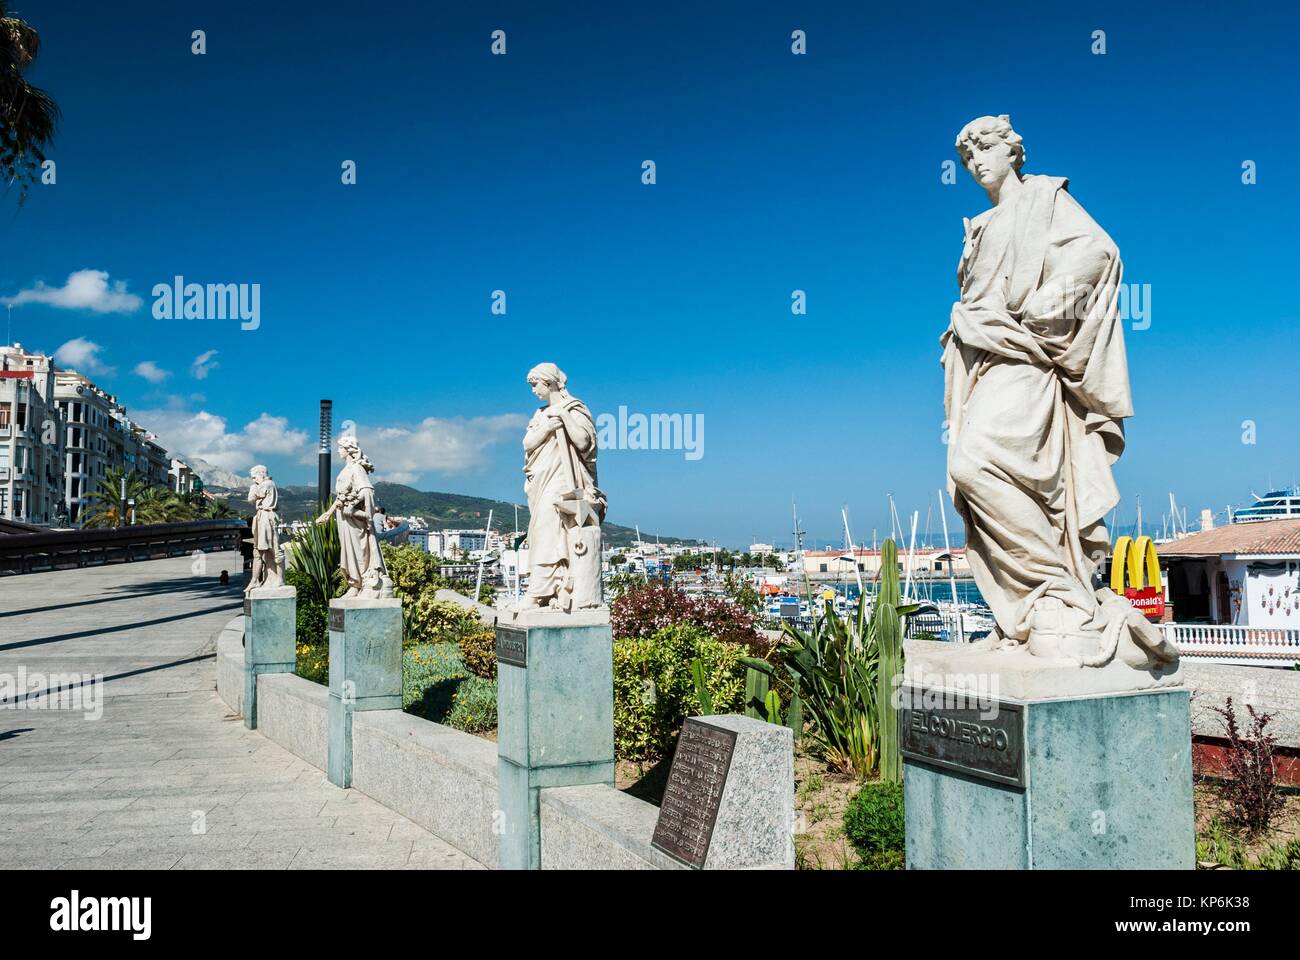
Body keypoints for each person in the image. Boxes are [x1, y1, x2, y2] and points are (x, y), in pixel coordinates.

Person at [943, 115, 1175, 668]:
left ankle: (1056, 589)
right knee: (973, 473)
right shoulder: (981, 226)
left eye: (985, 148)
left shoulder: (1045, 198)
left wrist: (1044, 308)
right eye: (967, 154)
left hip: (1026, 358)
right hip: (984, 361)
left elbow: (1099, 253)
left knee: (975, 466)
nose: (976, 161)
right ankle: (1029, 605)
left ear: (1011, 151)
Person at [521, 362, 606, 610]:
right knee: (541, 532)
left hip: (564, 480)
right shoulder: (539, 414)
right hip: (541, 479)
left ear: (549, 382)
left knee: (548, 530)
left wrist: (564, 416)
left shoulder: (575, 408)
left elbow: (583, 443)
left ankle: (540, 592)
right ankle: (550, 589)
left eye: (535, 384)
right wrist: (548, 427)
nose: (534, 390)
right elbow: (528, 444)